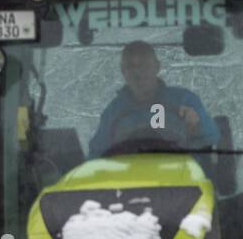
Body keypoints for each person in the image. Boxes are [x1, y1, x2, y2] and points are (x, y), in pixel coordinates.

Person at [88, 41, 220, 157]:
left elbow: (212, 138)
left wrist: (196, 125)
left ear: (157, 67)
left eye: (144, 65)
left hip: (182, 179)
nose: (137, 72)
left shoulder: (185, 100)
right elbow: (97, 155)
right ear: (123, 71)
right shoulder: (113, 112)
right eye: (131, 66)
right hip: (127, 180)